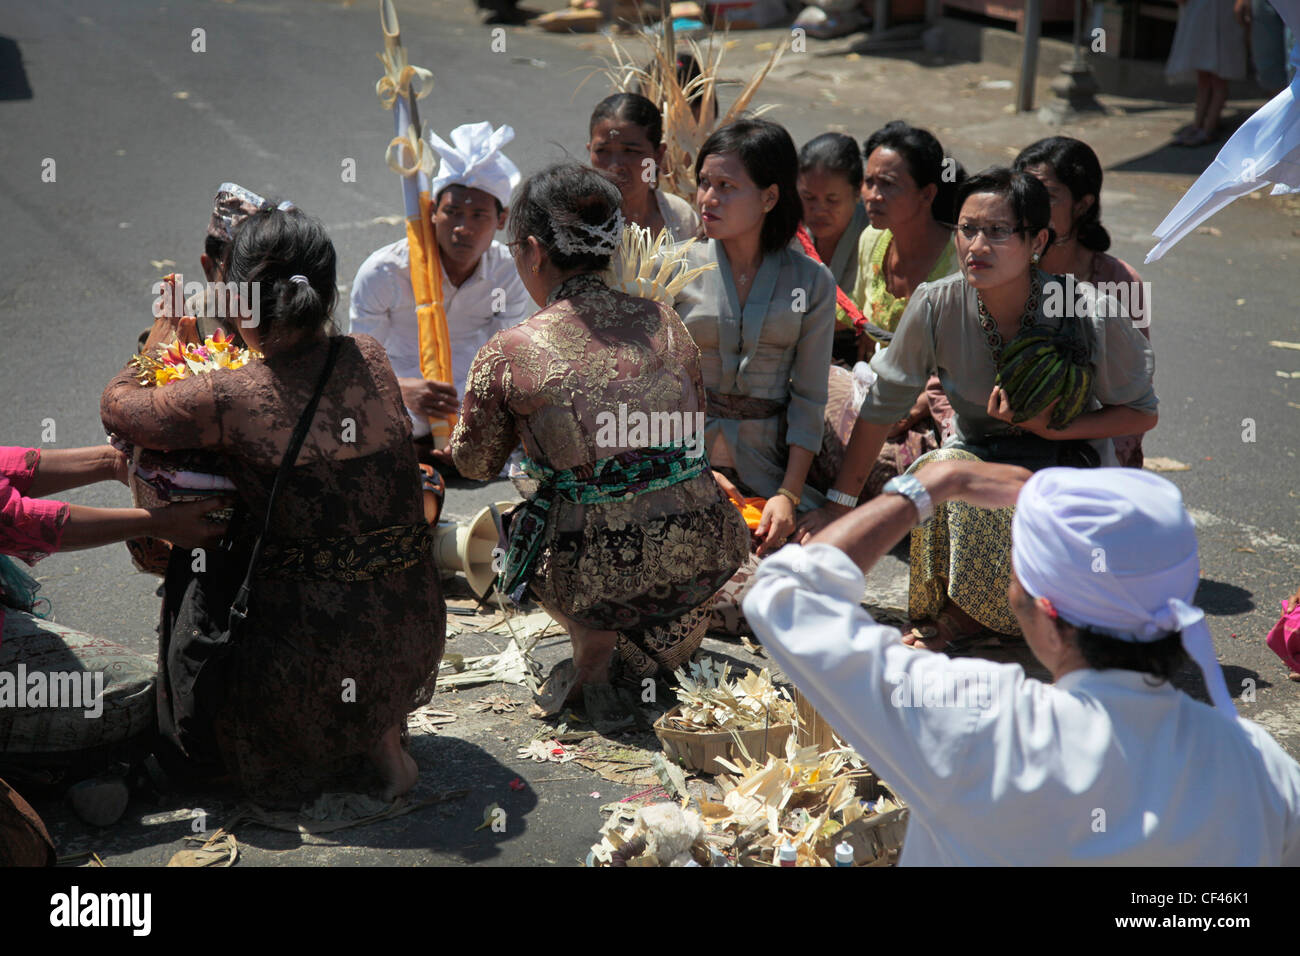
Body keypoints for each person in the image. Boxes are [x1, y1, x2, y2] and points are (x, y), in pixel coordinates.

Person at [744, 460, 1300, 865]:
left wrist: (935, 485)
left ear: (1038, 606)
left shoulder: (980, 724)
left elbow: (783, 594)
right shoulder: (1263, 771)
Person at [102, 207, 445, 807]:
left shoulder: (231, 394)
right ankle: (383, 741)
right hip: (409, 636)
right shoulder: (369, 356)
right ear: (327, 291)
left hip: (305, 655)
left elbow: (119, 408)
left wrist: (156, 347)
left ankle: (204, 749)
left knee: (201, 555)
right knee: (347, 557)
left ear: (240, 301)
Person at [808, 167, 1158, 651]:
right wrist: (837, 507)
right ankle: (966, 614)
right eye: (967, 229)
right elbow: (883, 403)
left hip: (1068, 473)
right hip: (976, 460)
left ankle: (981, 617)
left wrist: (1053, 429)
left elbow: (1142, 413)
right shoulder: (938, 303)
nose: (976, 246)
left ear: (1037, 240)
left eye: (997, 232)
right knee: (938, 467)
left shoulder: (1084, 309)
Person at [450, 163, 749, 703]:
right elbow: (688, 430)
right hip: (704, 560)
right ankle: (661, 644)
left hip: (600, 579)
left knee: (521, 517)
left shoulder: (512, 350)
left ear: (535, 251)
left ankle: (595, 640)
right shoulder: (667, 322)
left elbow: (472, 466)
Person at [350, 121, 533, 474]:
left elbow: (509, 360)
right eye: (452, 212)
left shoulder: (508, 272)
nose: (463, 227)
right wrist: (400, 389)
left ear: (501, 219)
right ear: (432, 211)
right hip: (400, 399)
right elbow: (358, 363)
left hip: (475, 401)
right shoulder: (384, 271)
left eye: (478, 215)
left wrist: (471, 416)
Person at [1015, 136, 1151, 468]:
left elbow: (1135, 398)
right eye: (1024, 196)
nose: (1032, 211)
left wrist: (1087, 455)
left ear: (1082, 204)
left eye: (1046, 198)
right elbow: (951, 371)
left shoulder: (1121, 283)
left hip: (1090, 453)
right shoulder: (1001, 271)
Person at [794, 132, 870, 365]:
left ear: (857, 192)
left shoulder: (874, 234)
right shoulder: (789, 228)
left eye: (832, 200)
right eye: (808, 197)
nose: (818, 210)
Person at [587, 93, 702, 242]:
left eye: (630, 151)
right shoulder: (573, 225)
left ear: (658, 155)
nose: (615, 167)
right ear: (589, 150)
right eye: (602, 151)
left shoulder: (681, 218)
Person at [1167, 0, 1249, 146]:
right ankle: (1197, 125)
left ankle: (1208, 128)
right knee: (1203, 76)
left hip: (1222, 12)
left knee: (1218, 78)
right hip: (1202, 11)